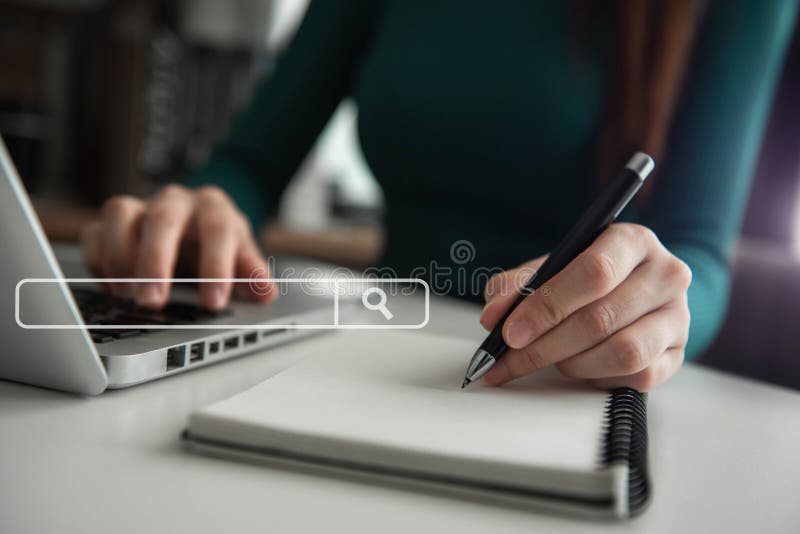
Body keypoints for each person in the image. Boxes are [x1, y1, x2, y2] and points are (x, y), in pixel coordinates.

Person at [81, 0, 797, 391]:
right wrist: (199, 210)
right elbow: (249, 163)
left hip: (561, 381)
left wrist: (659, 310)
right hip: (359, 354)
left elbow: (697, 252)